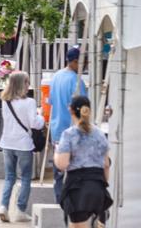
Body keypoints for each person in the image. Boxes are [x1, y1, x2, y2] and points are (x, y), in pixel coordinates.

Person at [54, 95, 112, 228]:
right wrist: (103, 184)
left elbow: (62, 164)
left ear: (71, 110)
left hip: (78, 188)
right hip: (97, 187)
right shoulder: (100, 134)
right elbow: (106, 164)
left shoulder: (69, 134)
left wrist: (57, 153)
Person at [0, 71, 45, 222]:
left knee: (9, 177)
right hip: (23, 144)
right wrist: (41, 116)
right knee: (25, 178)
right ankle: (20, 209)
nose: (28, 84)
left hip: (7, 142)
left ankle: (3, 206)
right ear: (22, 84)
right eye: (26, 82)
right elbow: (34, 123)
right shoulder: (29, 102)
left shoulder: (5, 100)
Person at [48, 47, 88, 203]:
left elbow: (51, 102)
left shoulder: (56, 76)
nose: (85, 66)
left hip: (56, 129)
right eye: (83, 62)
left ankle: (59, 202)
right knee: (74, 171)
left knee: (58, 170)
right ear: (75, 61)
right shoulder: (76, 81)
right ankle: (70, 205)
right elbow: (84, 109)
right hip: (71, 132)